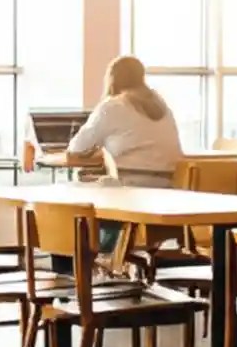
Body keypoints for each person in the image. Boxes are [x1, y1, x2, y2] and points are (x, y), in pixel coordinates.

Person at [66, 56, 183, 255]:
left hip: (130, 192)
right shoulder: (163, 107)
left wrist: (99, 153)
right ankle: (111, 253)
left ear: (112, 79)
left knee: (73, 196)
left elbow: (76, 149)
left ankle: (91, 258)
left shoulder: (112, 106)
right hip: (169, 191)